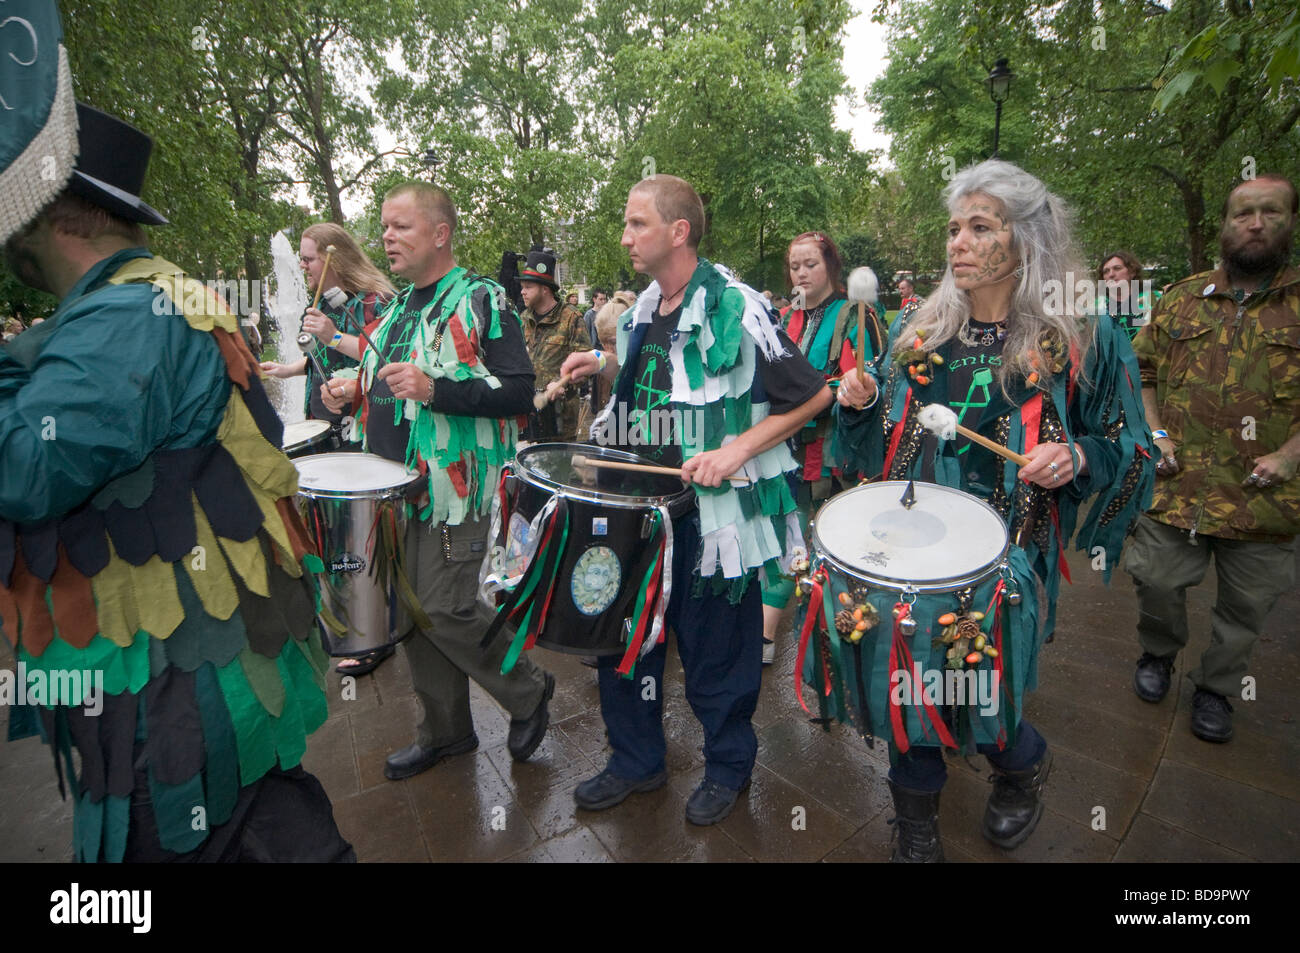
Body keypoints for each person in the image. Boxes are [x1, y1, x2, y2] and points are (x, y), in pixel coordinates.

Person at [1, 99, 352, 861]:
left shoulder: (127, 317)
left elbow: (24, 467)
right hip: (195, 674)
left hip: (166, 703)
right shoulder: (148, 298)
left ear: (56, 208)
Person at [835, 159, 1153, 861]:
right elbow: (870, 446)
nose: (958, 243)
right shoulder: (917, 334)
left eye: (981, 227)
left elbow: (1128, 444)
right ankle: (916, 821)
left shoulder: (1084, 339)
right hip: (912, 546)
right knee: (908, 674)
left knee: (982, 687)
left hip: (1013, 554)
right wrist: (857, 404)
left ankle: (1022, 764)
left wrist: (1075, 459)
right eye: (954, 228)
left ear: (1027, 239)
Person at [560, 174, 831, 825]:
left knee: (717, 656)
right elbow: (657, 380)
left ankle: (730, 764)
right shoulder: (639, 310)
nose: (624, 236)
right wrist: (599, 364)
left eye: (637, 223)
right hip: (634, 514)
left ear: (678, 231)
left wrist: (737, 450)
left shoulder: (736, 304)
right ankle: (635, 760)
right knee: (623, 642)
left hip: (713, 521)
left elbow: (812, 394)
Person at [320, 182, 555, 779]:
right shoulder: (400, 308)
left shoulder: (484, 301)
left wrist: (435, 390)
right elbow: (385, 383)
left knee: (444, 607)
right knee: (411, 613)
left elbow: (520, 391)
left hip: (455, 490)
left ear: (440, 234)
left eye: (400, 226)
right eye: (383, 226)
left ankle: (529, 691)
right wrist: (352, 390)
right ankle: (446, 733)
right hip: (394, 494)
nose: (386, 238)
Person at [1126, 173, 1300, 743]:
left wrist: (1291, 455)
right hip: (1177, 483)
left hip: (1264, 497)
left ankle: (1217, 689)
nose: (1255, 224)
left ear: (1289, 221)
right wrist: (1155, 435)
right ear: (1224, 225)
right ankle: (1157, 654)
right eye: (1243, 213)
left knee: (1245, 611)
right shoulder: (1181, 298)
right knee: (1155, 582)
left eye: (1270, 212)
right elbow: (1140, 372)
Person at [759, 232, 884, 665]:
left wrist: (853, 388)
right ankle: (766, 635)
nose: (801, 273)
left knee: (830, 543)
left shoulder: (854, 314)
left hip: (832, 452)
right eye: (794, 266)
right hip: (782, 448)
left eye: (810, 264)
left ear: (830, 266)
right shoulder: (784, 318)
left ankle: (839, 640)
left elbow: (866, 380)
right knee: (783, 536)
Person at [518, 245, 591, 442]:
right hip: (530, 417)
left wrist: (562, 386)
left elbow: (585, 364)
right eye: (522, 286)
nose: (522, 292)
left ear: (545, 289)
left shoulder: (571, 318)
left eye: (528, 287)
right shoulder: (524, 319)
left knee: (561, 470)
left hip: (560, 420)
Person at [1096, 249, 1160, 341]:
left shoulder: (1154, 299)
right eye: (1106, 271)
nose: (1111, 274)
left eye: (1117, 268)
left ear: (1132, 272)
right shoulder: (1096, 306)